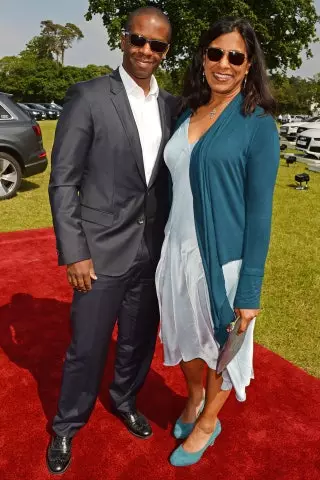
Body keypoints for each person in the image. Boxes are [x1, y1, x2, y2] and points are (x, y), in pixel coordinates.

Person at [47, 6, 177, 475]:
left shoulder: (172, 106)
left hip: (152, 251)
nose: (146, 50)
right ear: (123, 41)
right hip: (98, 252)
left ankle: (125, 400)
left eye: (156, 45)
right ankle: (66, 424)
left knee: (138, 341)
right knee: (88, 344)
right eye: (138, 40)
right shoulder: (87, 96)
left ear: (165, 51)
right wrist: (75, 251)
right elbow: (63, 181)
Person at [155, 17, 280, 467]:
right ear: (203, 57)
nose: (223, 64)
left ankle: (208, 422)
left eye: (235, 57)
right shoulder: (189, 113)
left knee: (223, 353)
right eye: (215, 53)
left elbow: (260, 213)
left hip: (223, 261)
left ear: (248, 67)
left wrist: (249, 290)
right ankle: (192, 398)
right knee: (186, 341)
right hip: (176, 251)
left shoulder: (257, 125)